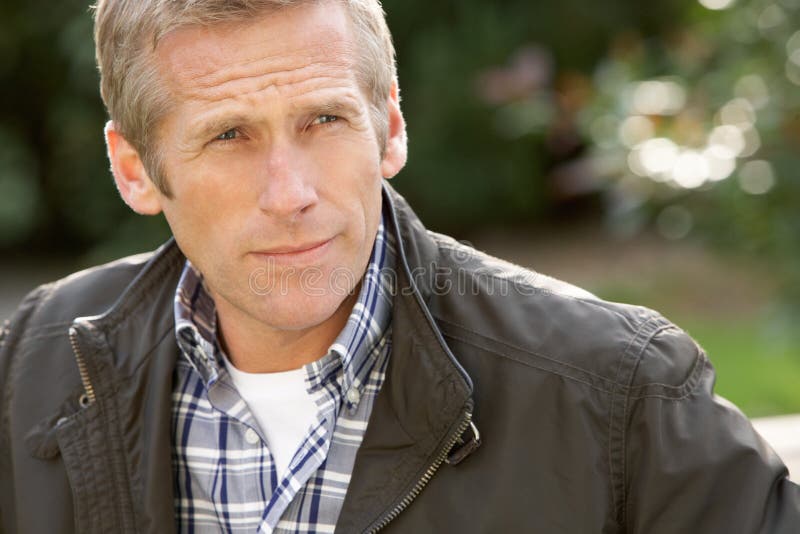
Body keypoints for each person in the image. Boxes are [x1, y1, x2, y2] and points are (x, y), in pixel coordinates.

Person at [1, 0, 798, 532]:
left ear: (388, 128)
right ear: (136, 167)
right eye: (229, 136)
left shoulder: (621, 395)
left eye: (324, 119)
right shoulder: (27, 369)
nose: (291, 194)